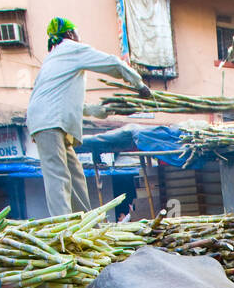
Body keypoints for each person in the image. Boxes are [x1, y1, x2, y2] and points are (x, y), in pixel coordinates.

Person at [28, 18, 150, 216]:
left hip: (53, 121)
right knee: (58, 175)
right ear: (69, 35)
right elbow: (111, 62)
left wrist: (97, 111)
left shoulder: (55, 60)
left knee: (75, 175)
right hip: (48, 123)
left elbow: (65, 101)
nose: (78, 36)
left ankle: (85, 221)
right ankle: (63, 226)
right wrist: (139, 84)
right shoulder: (70, 49)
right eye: (76, 32)